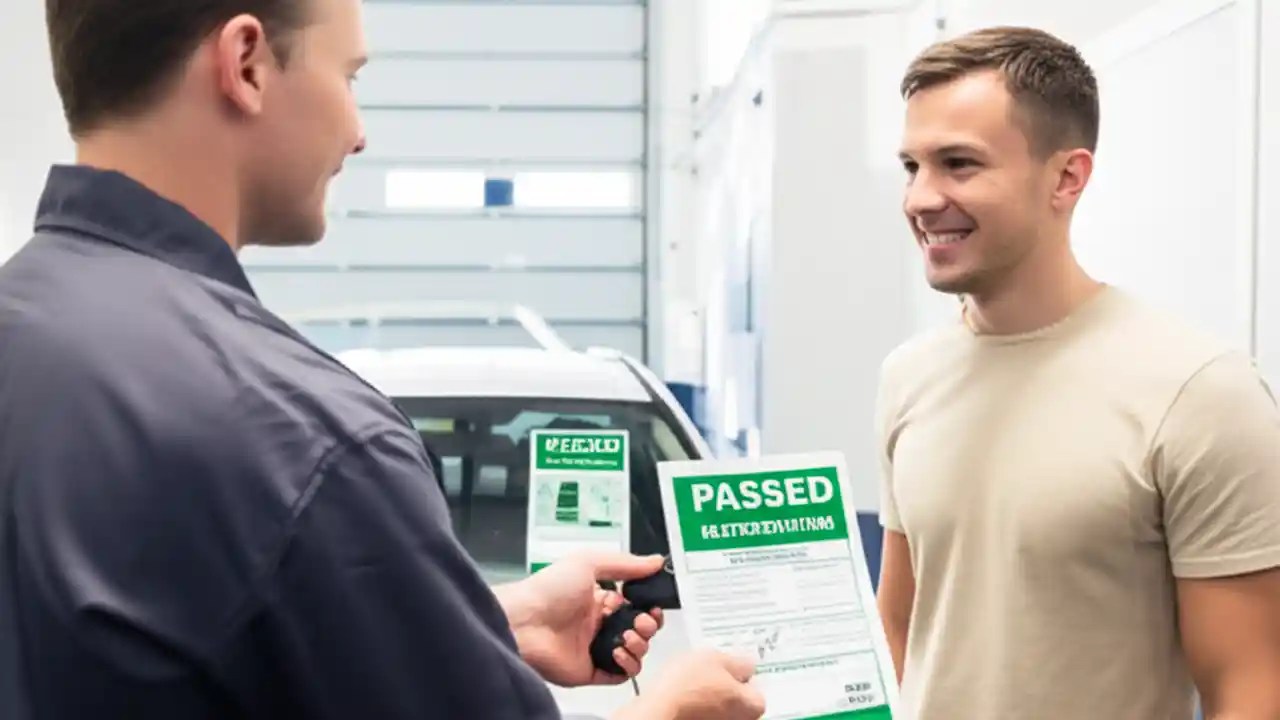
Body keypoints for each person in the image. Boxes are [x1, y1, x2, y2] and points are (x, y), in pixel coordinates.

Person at [0, 1, 766, 719]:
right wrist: (669, 708)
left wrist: (498, 621)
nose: (359, 131)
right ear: (247, 64)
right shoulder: (309, 441)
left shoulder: (29, 334)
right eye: (349, 76)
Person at [876, 25, 1280, 719]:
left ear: (1067, 177)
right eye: (913, 166)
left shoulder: (1200, 391)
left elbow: (1249, 685)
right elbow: (904, 627)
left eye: (959, 164)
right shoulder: (908, 377)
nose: (920, 198)